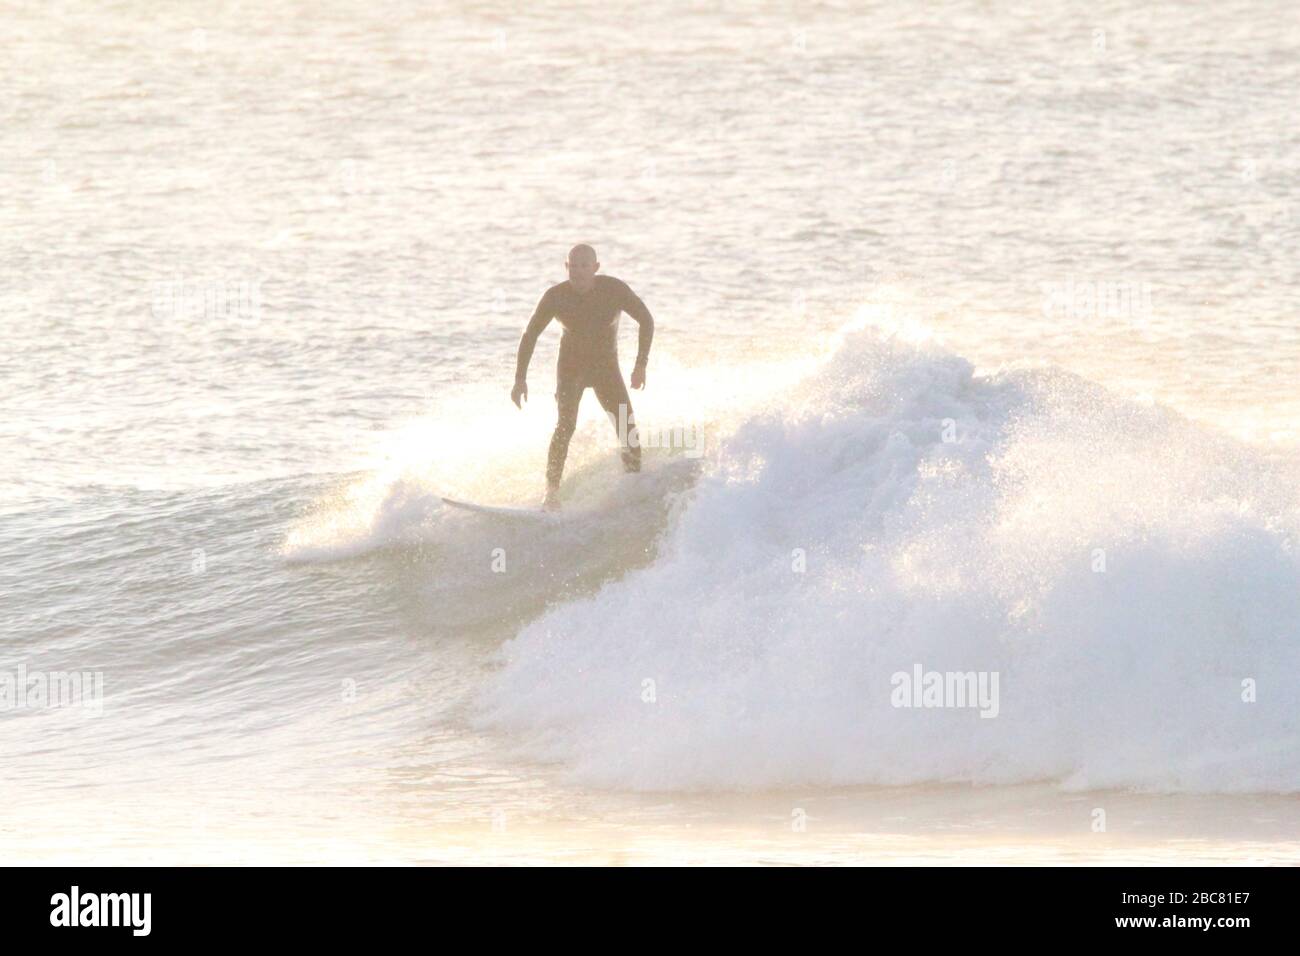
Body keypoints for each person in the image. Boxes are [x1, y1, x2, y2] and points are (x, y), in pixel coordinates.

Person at [512, 244, 654, 510]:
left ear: (595, 268)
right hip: (571, 368)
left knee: (627, 428)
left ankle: (633, 486)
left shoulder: (614, 290)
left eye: (584, 266)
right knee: (565, 426)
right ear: (566, 267)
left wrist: (640, 365)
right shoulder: (555, 297)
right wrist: (520, 379)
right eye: (572, 266)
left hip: (606, 369)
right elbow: (530, 334)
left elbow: (646, 319)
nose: (578, 272)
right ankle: (551, 494)